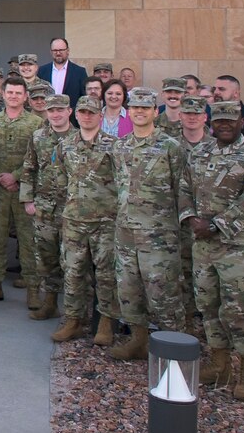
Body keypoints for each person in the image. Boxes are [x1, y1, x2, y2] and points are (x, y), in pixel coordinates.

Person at [186, 103, 244, 400]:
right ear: (212, 123)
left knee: (239, 310)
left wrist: (214, 225)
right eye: (220, 120)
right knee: (209, 307)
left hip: (239, 247)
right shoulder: (200, 153)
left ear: (242, 122)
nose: (225, 125)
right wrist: (189, 218)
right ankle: (220, 364)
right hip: (204, 248)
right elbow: (184, 189)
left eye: (231, 120)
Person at [108, 88, 190, 361]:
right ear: (128, 112)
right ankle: (138, 341)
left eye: (146, 108)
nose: (140, 112)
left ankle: (175, 350)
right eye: (135, 107)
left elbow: (183, 190)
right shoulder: (120, 147)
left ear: (156, 112)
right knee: (129, 290)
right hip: (126, 232)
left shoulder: (170, 147)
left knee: (163, 292)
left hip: (159, 235)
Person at [51, 96, 120, 346]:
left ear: (99, 116)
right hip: (74, 220)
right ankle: (73, 320)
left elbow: (124, 182)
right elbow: (59, 178)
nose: (87, 117)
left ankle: (105, 323)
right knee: (72, 271)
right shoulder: (65, 146)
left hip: (105, 221)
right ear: (76, 115)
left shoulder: (114, 146)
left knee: (106, 274)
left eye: (92, 112)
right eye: (83, 112)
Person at [0, 78, 43, 304]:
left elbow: (37, 156)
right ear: (3, 95)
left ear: (25, 97)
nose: (13, 96)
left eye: (18, 93)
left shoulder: (36, 124)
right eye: (10, 92)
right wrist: (2, 177)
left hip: (25, 190)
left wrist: (14, 176)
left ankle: (33, 290)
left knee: (28, 240)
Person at [20, 94, 74, 320]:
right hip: (44, 208)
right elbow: (29, 168)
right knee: (45, 257)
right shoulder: (38, 137)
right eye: (52, 110)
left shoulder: (78, 138)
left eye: (60, 110)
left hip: (72, 210)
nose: (56, 114)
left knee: (72, 262)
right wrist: (28, 199)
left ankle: (75, 313)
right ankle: (50, 303)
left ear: (69, 112)